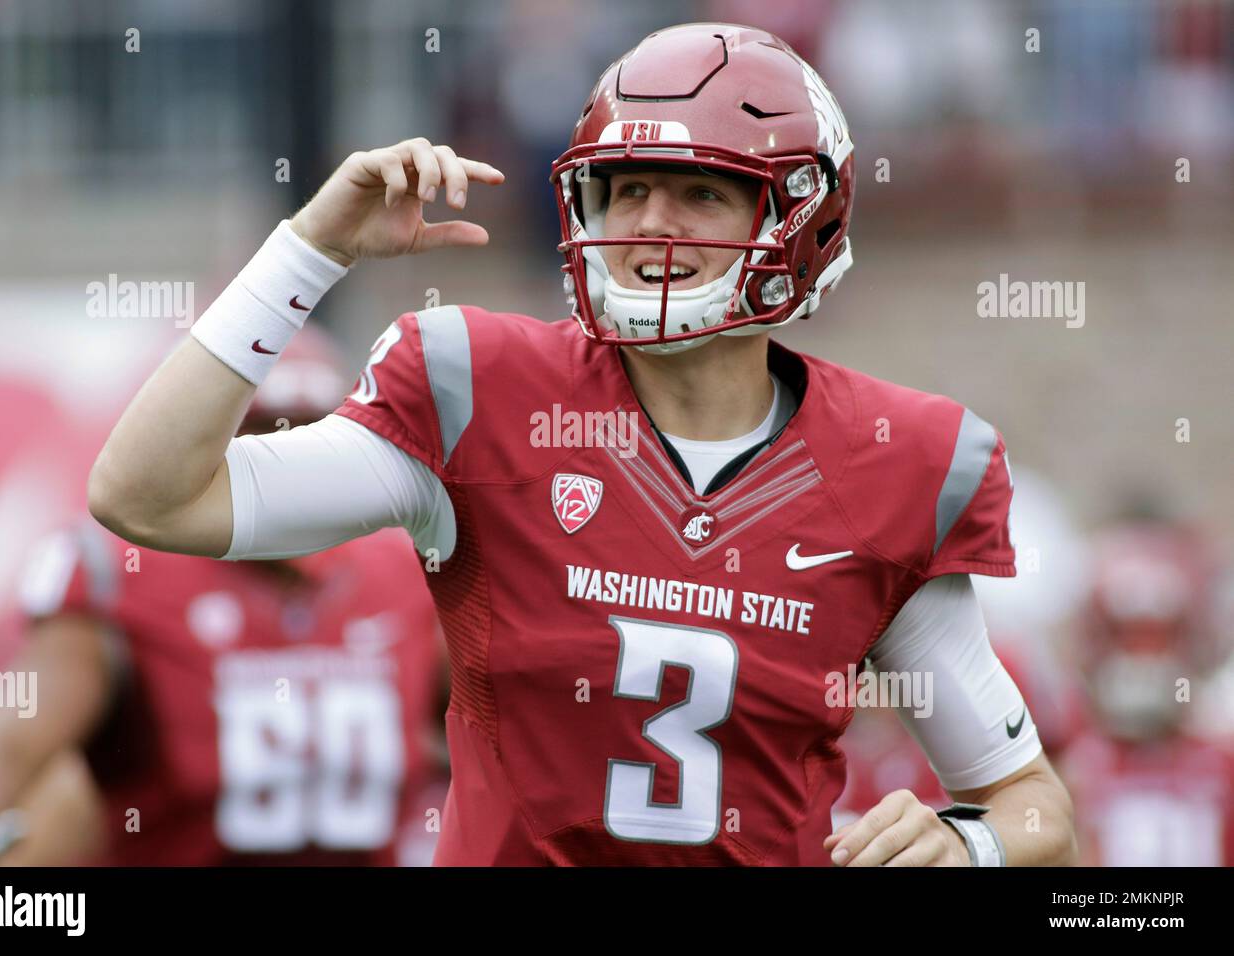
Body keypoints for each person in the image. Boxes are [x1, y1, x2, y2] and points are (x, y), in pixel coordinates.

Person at [87, 22, 1075, 866]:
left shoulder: (895, 460)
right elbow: (149, 495)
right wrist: (310, 247)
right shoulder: (477, 390)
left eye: (699, 192)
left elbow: (1031, 803)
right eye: (627, 187)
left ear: (799, 217)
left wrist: (969, 842)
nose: (650, 225)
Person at [0, 328, 446, 866]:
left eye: (307, 432)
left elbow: (498, 736)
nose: (284, 457)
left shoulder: (403, 571)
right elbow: (13, 746)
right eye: (254, 433)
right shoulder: (120, 574)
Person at [1060, 520, 1234, 866]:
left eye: (1159, 638)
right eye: (1127, 637)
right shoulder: (1073, 761)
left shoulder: (1220, 763)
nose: (1143, 657)